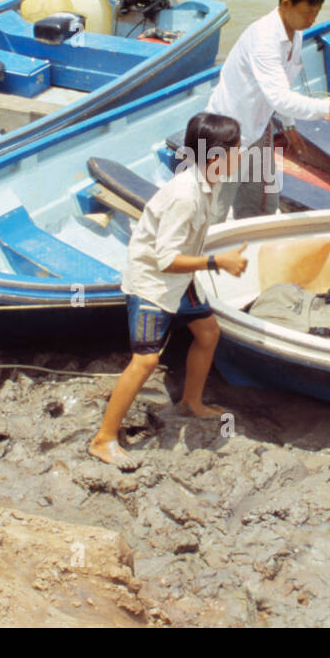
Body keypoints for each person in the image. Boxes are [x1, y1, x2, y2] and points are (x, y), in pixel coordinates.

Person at [89, 113, 249, 469]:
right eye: (236, 149)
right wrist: (216, 263)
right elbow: (164, 260)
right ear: (215, 158)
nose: (242, 154)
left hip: (182, 279)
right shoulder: (185, 197)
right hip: (155, 283)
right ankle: (103, 439)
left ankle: (190, 402)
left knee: (208, 333)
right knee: (146, 360)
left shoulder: (208, 181)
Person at [206, 0, 330, 222]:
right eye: (307, 12)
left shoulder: (296, 32)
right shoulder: (264, 40)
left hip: (258, 127)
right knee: (215, 210)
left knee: (263, 203)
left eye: (316, 11)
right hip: (226, 132)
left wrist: (289, 124)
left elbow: (285, 83)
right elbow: (281, 98)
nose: (312, 19)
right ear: (286, 4)